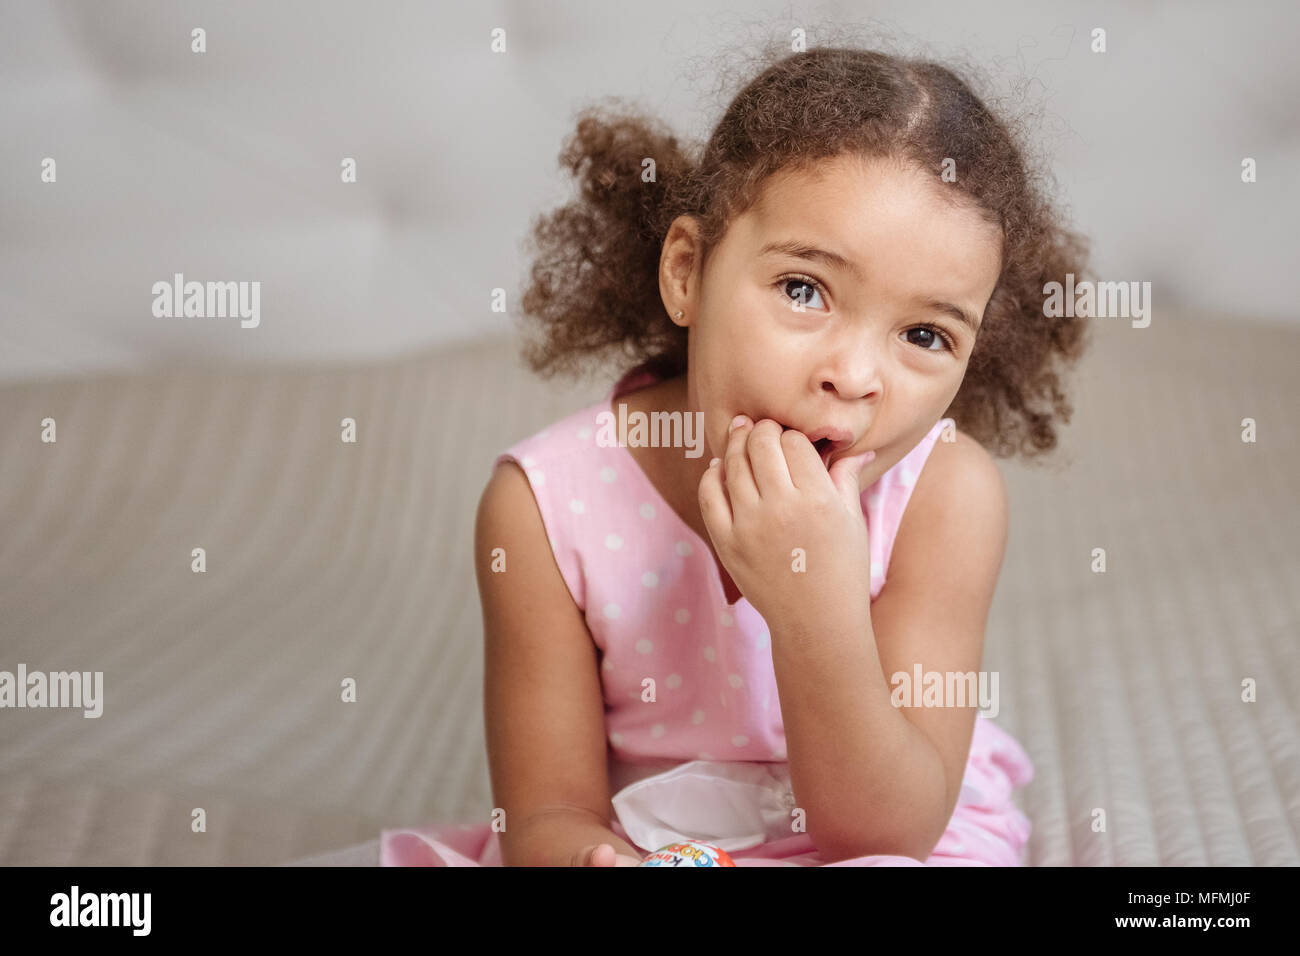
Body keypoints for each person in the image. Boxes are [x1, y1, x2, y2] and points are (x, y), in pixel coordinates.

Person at [381, 42, 1091, 867]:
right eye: (803, 290)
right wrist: (594, 858)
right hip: (651, 845)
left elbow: (889, 835)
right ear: (687, 272)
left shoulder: (946, 493)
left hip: (882, 825)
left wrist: (814, 609)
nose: (853, 377)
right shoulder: (542, 507)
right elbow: (546, 816)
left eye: (925, 334)